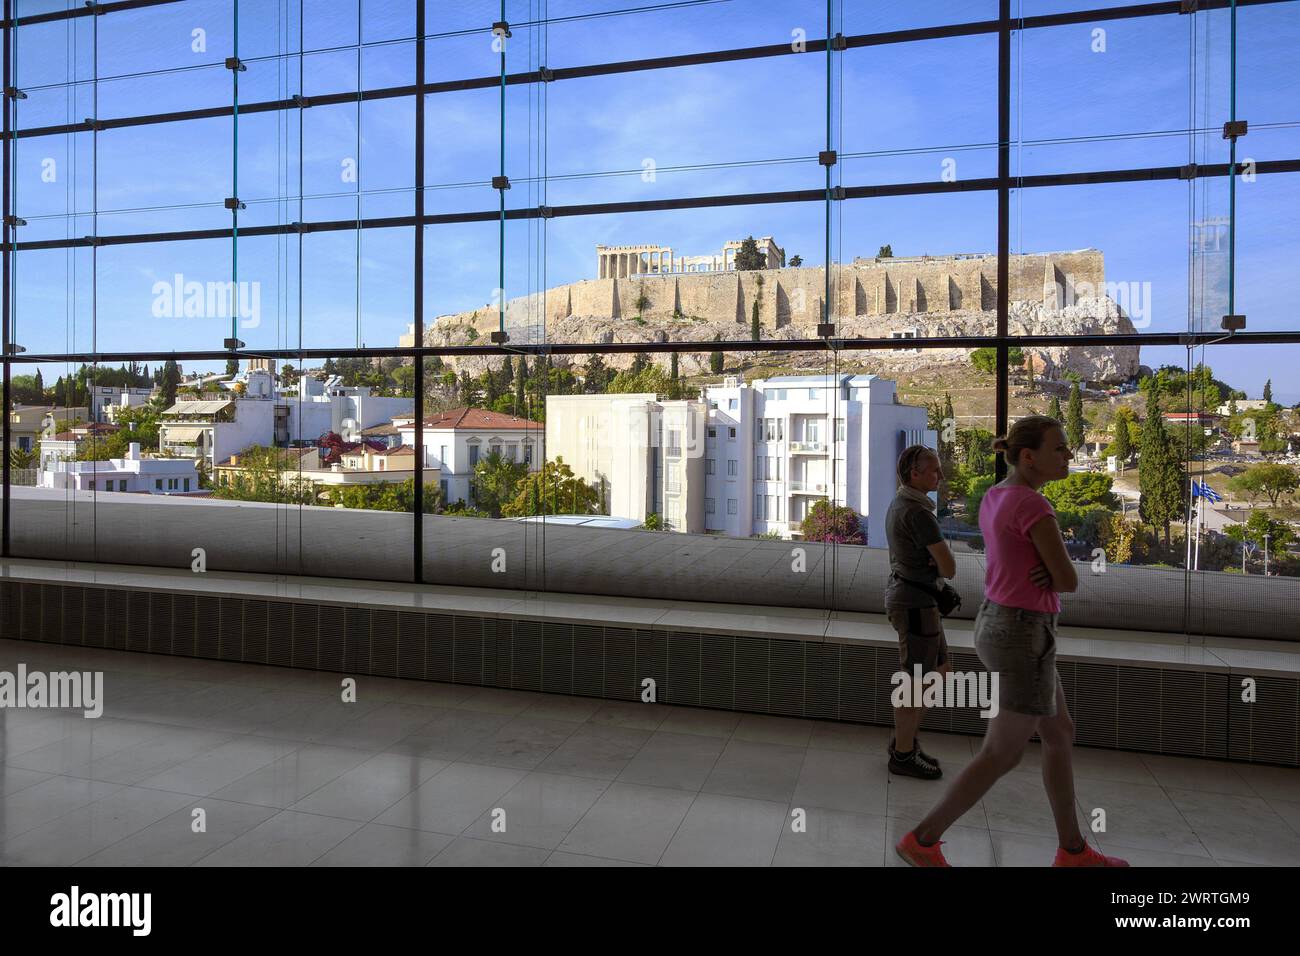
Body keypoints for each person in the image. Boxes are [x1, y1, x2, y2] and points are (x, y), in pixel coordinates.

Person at [895, 416, 1128, 867]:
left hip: (999, 621)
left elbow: (1024, 560)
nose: (1068, 455)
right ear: (1029, 456)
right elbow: (1068, 579)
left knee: (1059, 734)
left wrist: (1045, 568)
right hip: (1024, 633)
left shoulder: (996, 496)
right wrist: (1053, 569)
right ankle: (922, 839)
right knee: (1002, 752)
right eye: (1059, 448)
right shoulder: (1035, 507)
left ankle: (1073, 850)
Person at [883, 445, 956, 780]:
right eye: (934, 470)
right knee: (915, 681)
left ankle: (905, 739)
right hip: (915, 604)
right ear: (915, 474)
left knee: (939, 670)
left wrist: (934, 559)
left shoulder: (902, 503)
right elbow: (950, 567)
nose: (940, 475)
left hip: (918, 601)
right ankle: (903, 754)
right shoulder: (917, 512)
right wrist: (937, 559)